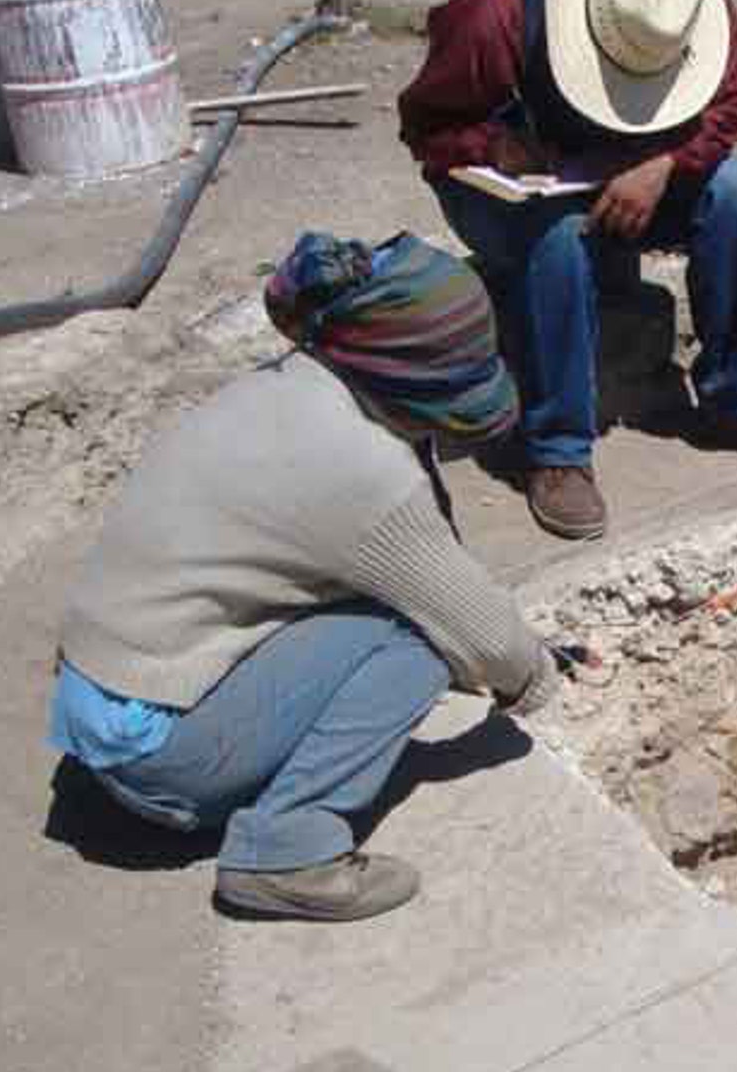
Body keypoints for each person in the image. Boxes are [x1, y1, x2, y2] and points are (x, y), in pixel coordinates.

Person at [48, 232, 561, 922]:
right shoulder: (362, 473)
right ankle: (286, 851)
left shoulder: (297, 381)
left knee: (393, 615)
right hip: (155, 757)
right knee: (415, 639)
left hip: (108, 694)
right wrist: (535, 678)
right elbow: (483, 637)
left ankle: (248, 775)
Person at [397, 0, 737, 542]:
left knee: (735, 195)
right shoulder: (491, 15)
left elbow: (727, 108)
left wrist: (661, 165)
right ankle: (557, 452)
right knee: (556, 237)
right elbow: (426, 126)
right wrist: (493, 146)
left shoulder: (692, 11)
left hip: (634, 167)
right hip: (500, 183)